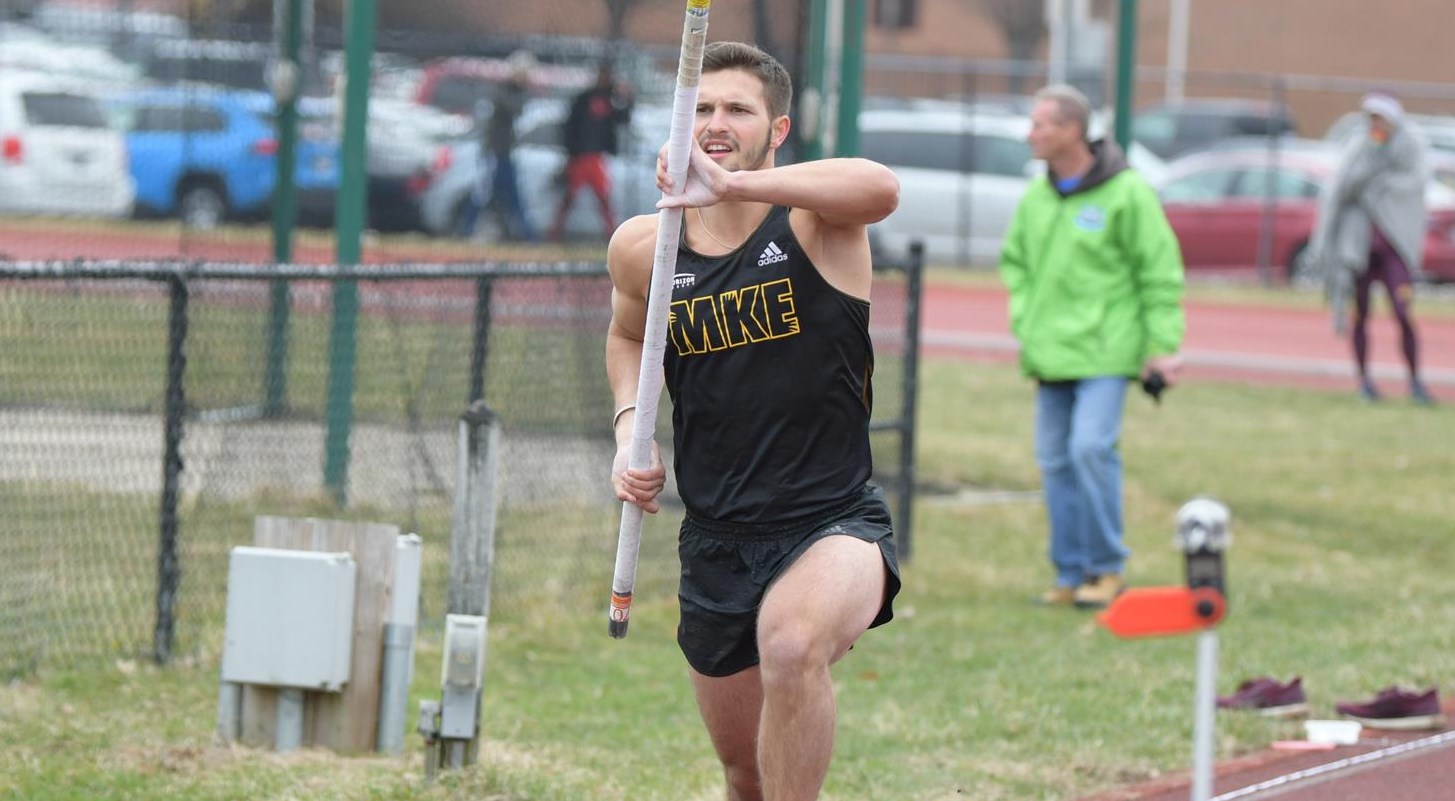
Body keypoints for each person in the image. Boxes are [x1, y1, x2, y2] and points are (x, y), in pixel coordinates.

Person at [605, 41, 902, 801]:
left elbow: (878, 185)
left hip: (829, 521)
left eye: (736, 108)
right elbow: (630, 335)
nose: (713, 122)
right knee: (744, 775)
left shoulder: (811, 223)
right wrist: (628, 429)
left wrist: (733, 185)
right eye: (699, 108)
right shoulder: (646, 248)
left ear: (776, 128)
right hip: (716, 537)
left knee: (792, 643)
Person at [998, 84, 1186, 610]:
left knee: (1090, 449)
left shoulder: (1127, 192)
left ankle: (1107, 568)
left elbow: (1160, 272)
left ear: (1074, 130)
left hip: (1106, 350)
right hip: (1050, 351)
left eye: (1042, 125)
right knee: (1055, 461)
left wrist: (1162, 346)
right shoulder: (1038, 195)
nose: (1031, 134)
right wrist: (1025, 316)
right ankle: (1071, 572)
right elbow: (1014, 262)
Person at [1312, 91, 1435, 405]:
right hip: (1360, 247)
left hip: (1393, 247)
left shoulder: (1411, 148)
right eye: (1370, 119)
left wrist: (1380, 184)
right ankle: (1364, 382)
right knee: (1360, 313)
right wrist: (1366, 169)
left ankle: (1415, 382)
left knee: (1402, 311)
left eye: (1379, 118)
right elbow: (1342, 189)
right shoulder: (1361, 148)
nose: (1374, 124)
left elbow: (1414, 185)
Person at [548, 63, 635, 241]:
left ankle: (611, 234)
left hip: (596, 156)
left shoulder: (610, 100)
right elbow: (569, 126)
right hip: (581, 157)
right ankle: (555, 232)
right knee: (571, 197)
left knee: (602, 198)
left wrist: (628, 99)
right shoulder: (584, 99)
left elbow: (623, 119)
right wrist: (571, 151)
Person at [475, 50, 538, 242]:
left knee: (507, 197)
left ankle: (526, 235)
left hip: (504, 154)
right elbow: (513, 107)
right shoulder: (502, 91)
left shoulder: (511, 92)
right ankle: (527, 235)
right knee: (483, 196)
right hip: (496, 154)